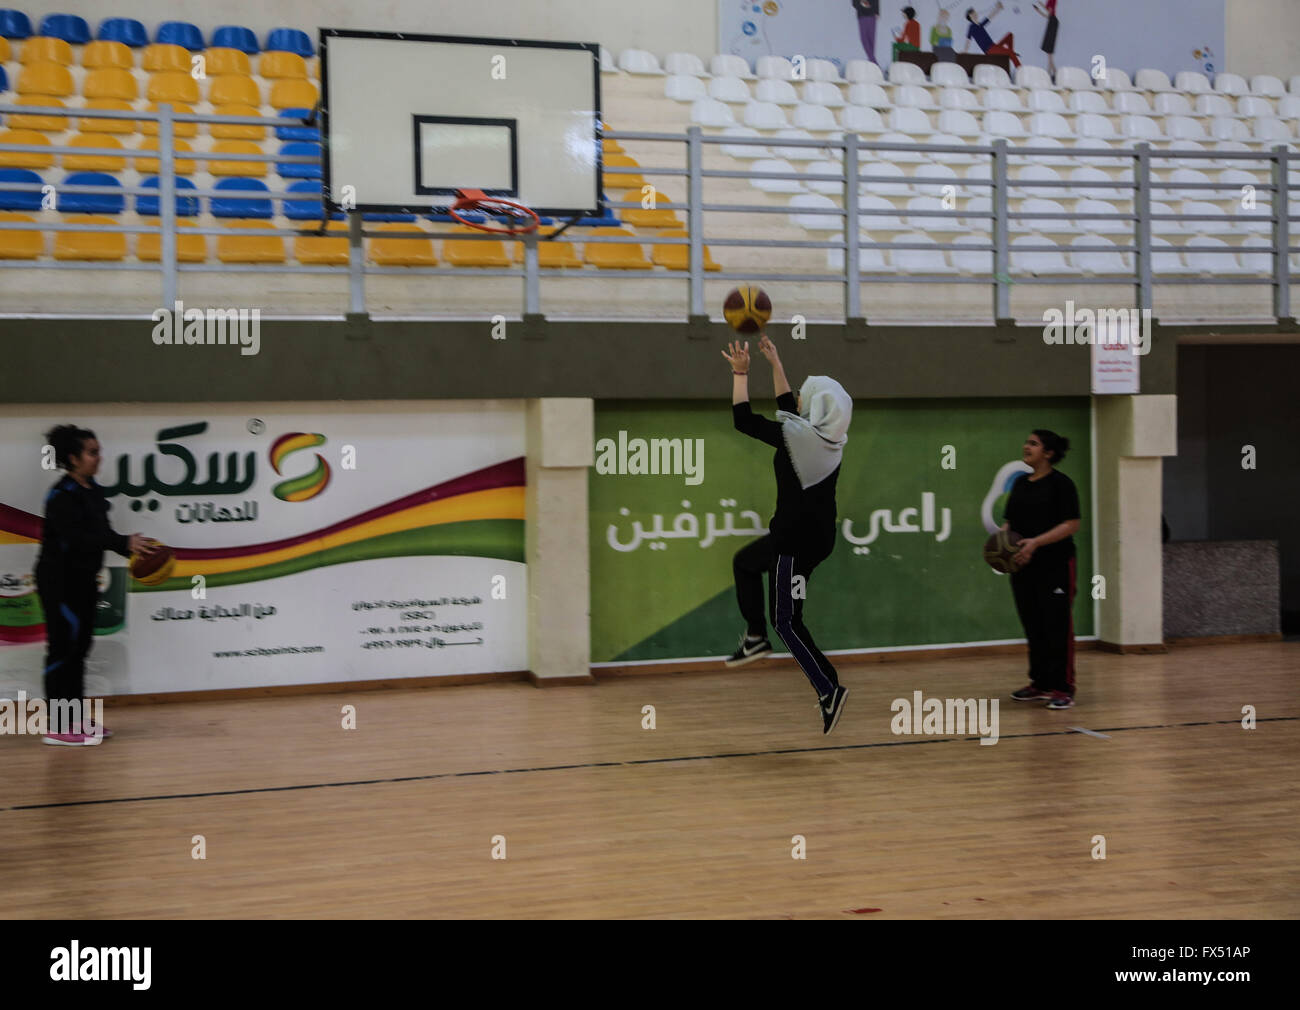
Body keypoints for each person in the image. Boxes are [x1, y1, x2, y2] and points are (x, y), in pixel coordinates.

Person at [721, 334, 853, 735]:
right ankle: (757, 636)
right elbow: (787, 408)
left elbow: (743, 420)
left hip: (794, 541)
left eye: (803, 394)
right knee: (746, 563)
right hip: (813, 539)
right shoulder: (828, 438)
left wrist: (741, 374)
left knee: (787, 621)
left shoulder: (799, 439)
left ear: (812, 407)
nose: (797, 396)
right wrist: (774, 363)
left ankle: (827, 687)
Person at [36, 425, 158, 745]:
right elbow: (78, 540)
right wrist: (121, 541)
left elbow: (102, 535)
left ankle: (74, 718)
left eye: (98, 451)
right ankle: (58, 726)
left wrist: (131, 546)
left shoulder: (92, 490)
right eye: (92, 452)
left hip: (84, 581)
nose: (99, 458)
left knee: (79, 650)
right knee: (63, 651)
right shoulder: (61, 496)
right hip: (59, 582)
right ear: (73, 458)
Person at [1002, 430, 1080, 709]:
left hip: (1056, 565)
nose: (1026, 446)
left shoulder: (1062, 485)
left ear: (1048, 453)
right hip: (1023, 567)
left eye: (1033, 444)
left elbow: (1072, 524)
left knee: (1057, 625)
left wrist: (1036, 543)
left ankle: (1063, 687)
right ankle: (1041, 683)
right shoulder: (1021, 483)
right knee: (1033, 625)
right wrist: (1004, 544)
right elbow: (1009, 523)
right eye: (1027, 442)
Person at [964, 1, 1021, 69]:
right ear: (970, 16)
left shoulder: (980, 25)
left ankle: (1009, 55)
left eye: (975, 12)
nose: (975, 14)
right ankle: (1020, 69)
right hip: (990, 51)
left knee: (1010, 35)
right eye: (973, 13)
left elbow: (990, 16)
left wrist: (998, 8)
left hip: (994, 46)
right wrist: (965, 52)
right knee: (1010, 53)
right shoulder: (971, 27)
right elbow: (968, 40)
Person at [1033, 0, 1059, 78]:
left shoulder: (1052, 1)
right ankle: (1052, 72)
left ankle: (1053, 72)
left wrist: (1039, 7)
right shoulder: (1049, 1)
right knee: (1048, 50)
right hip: (1051, 21)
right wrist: (1038, 9)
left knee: (1049, 48)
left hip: (1053, 22)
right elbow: (1047, 15)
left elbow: (1049, 13)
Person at [852, 0, 882, 65]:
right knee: (864, 38)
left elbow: (876, 1)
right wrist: (862, 4)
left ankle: (872, 63)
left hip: (872, 14)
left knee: (871, 39)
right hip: (862, 14)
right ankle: (874, 62)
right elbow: (854, 3)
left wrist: (877, 12)